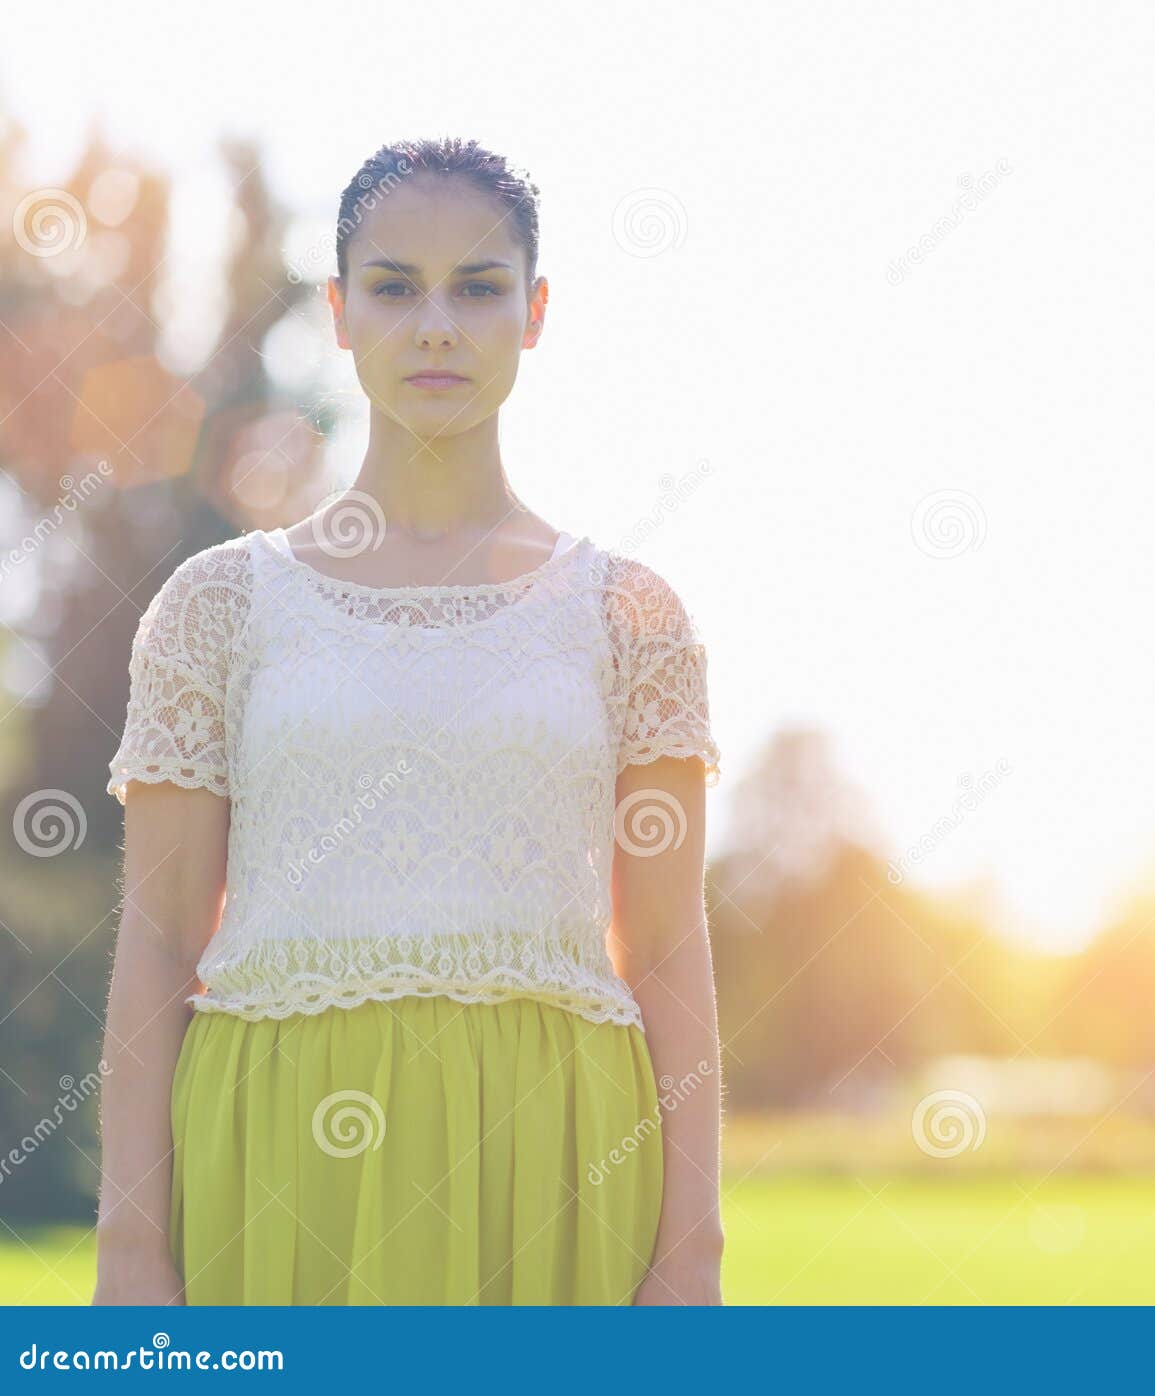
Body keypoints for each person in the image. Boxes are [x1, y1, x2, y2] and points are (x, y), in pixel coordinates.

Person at [90, 137, 725, 1306]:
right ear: (339, 312)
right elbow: (160, 943)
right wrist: (132, 1254)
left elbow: (671, 949)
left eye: (477, 287)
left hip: (561, 1148)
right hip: (277, 1150)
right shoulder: (221, 605)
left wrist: (691, 1256)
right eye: (395, 286)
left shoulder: (630, 614)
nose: (436, 324)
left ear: (533, 313)